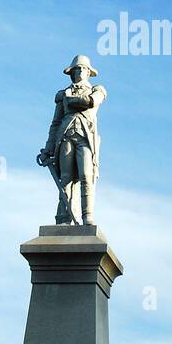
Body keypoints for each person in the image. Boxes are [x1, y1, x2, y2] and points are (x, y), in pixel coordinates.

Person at [37, 54, 106, 225]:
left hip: (85, 138)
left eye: (84, 68)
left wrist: (70, 98)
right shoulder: (62, 95)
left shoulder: (97, 90)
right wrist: (48, 148)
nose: (81, 71)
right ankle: (64, 217)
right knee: (66, 177)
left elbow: (90, 102)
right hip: (65, 135)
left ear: (89, 72)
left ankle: (87, 215)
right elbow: (55, 124)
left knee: (85, 175)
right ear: (72, 72)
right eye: (78, 68)